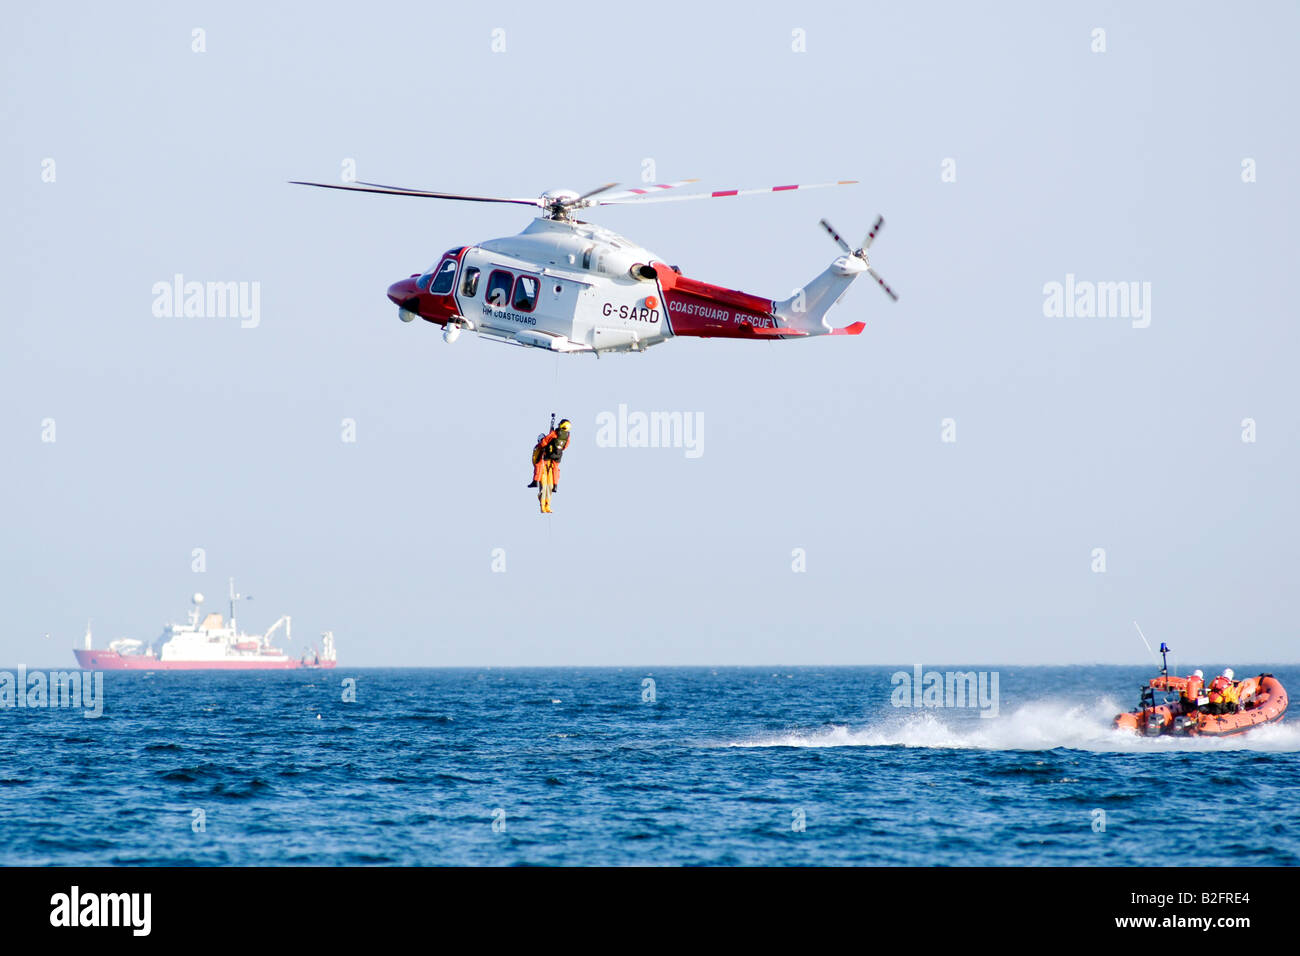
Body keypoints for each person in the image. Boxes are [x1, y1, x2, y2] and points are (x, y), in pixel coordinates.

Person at [527, 419, 571, 491]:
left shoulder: (555, 433)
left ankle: (535, 481)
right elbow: (565, 446)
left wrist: (541, 446)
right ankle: (555, 486)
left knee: (539, 464)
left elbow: (545, 441)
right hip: (558, 455)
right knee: (556, 468)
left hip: (548, 454)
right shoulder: (567, 436)